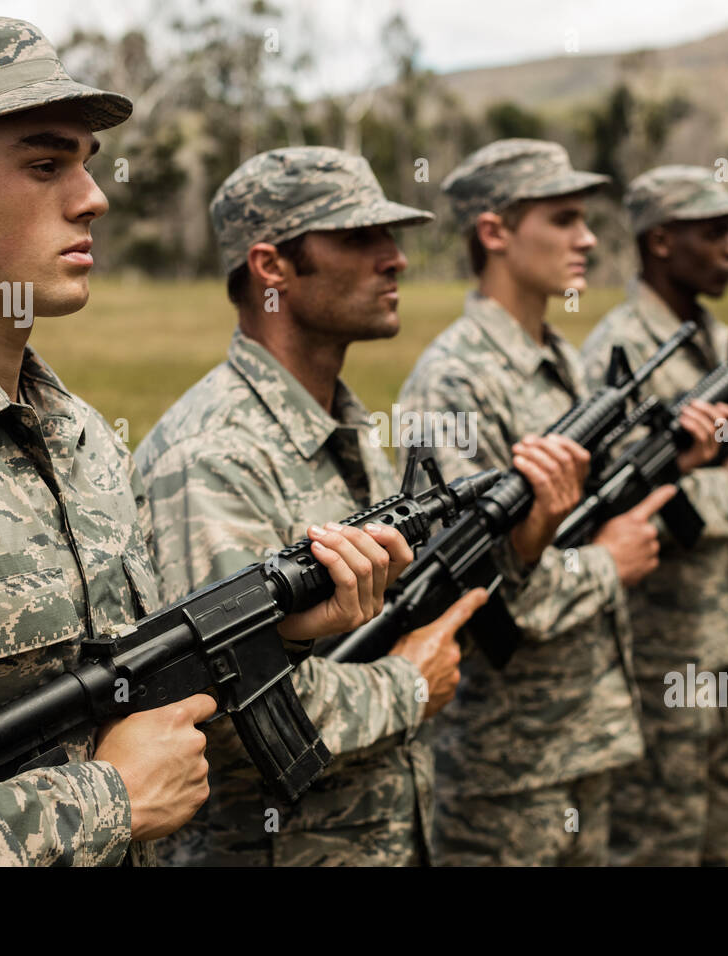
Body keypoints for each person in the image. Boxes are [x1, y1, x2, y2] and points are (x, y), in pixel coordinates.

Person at [0, 19, 389, 867]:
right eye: (44, 164)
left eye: (87, 161)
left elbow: (127, 685)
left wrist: (277, 631)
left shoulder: (85, 440)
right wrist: (110, 801)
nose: (93, 195)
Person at [137, 146, 484, 866]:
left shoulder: (346, 426)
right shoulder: (213, 455)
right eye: (360, 238)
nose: (397, 260)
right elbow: (225, 710)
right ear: (272, 269)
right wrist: (409, 687)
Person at [396, 139, 675, 865]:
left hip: (582, 731)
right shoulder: (452, 382)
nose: (587, 238)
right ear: (495, 232)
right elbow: (458, 584)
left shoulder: (564, 358)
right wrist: (607, 566)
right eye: (563, 218)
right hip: (505, 759)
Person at [580, 165, 728, 866]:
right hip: (662, 645)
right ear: (661, 240)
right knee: (657, 837)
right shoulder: (618, 352)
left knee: (719, 826)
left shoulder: (717, 335)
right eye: (715, 232)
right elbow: (607, 507)